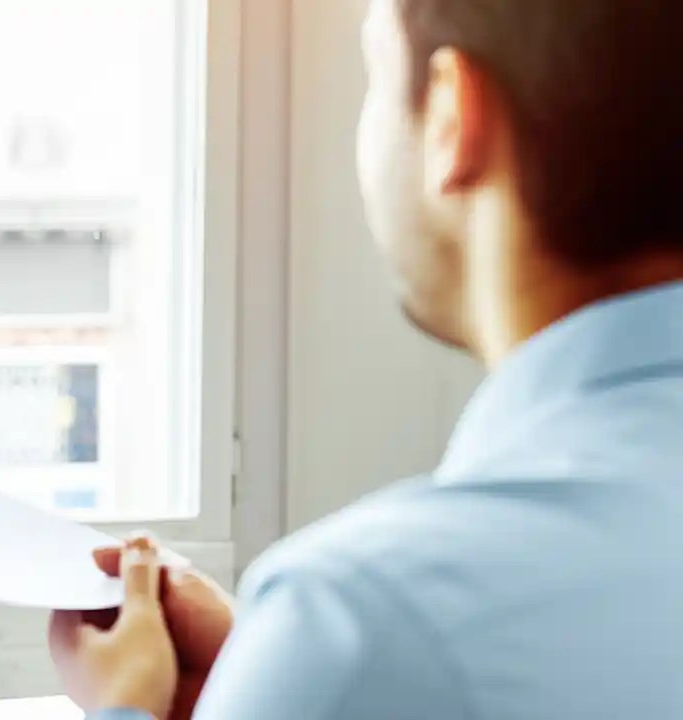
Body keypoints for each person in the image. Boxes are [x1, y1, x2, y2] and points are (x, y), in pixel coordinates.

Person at [49, 0, 683, 718]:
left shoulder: (370, 617)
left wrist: (128, 707)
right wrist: (267, 675)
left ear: (451, 113)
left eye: (373, 76)